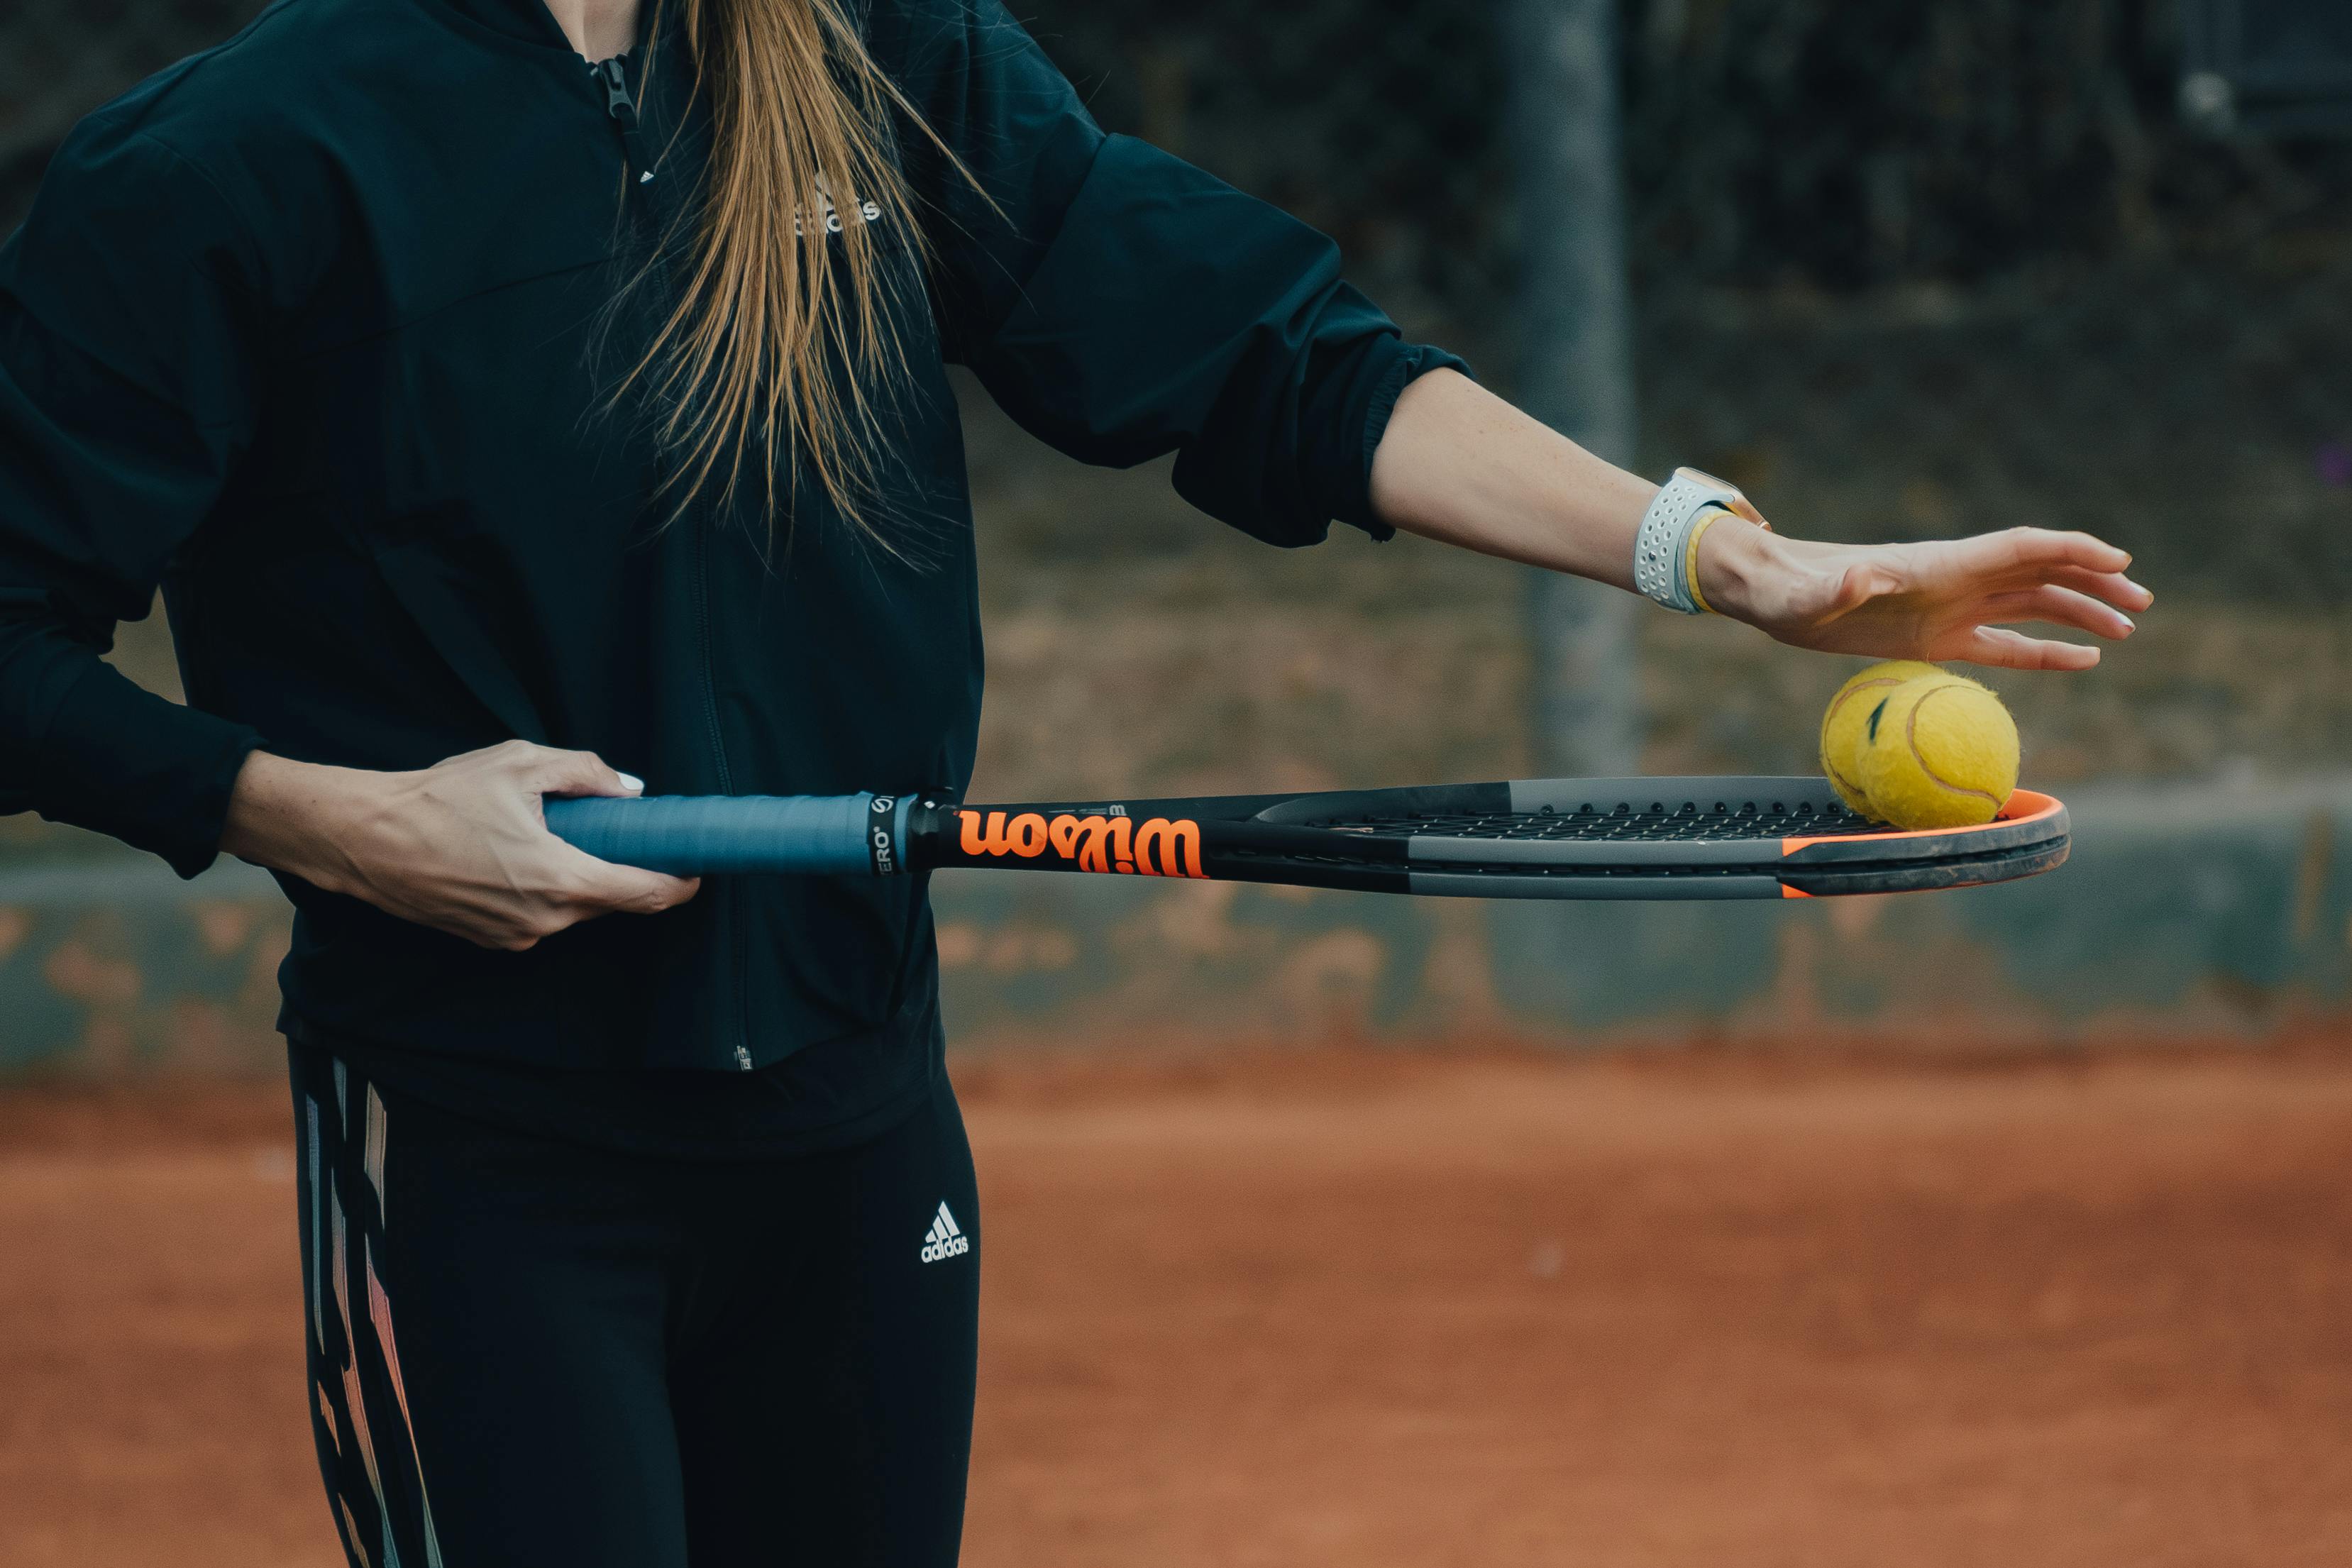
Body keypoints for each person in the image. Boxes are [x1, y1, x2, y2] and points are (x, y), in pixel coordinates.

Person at [0, 0, 2151, 1563]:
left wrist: (1735, 562)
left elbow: (1270, 357)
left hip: (850, 1112)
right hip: (483, 1142)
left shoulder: (871, 64)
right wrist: (313, 811)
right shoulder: (228, 169)